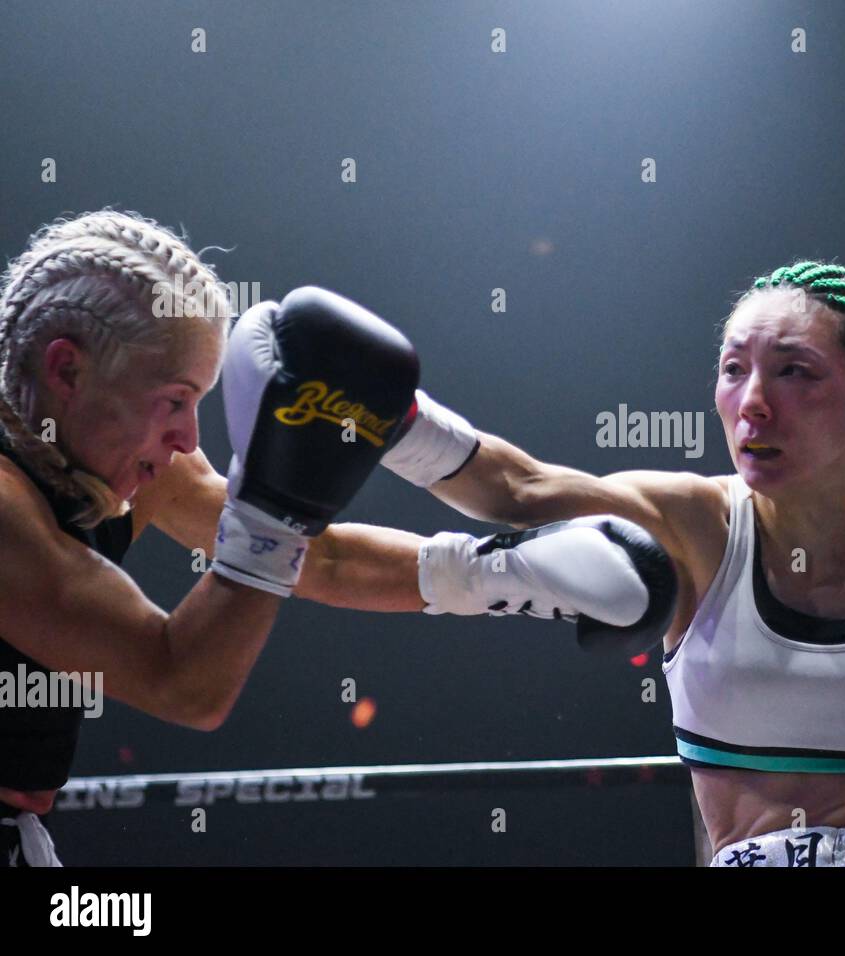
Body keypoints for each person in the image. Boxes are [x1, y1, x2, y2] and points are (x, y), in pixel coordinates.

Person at [0, 210, 674, 866]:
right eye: (175, 399)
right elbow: (181, 681)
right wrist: (273, 508)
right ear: (67, 370)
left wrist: (497, 574)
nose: (189, 439)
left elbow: (317, 557)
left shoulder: (133, 462)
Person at [377, 259, 845, 866]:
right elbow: (519, 490)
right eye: (733, 369)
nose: (753, 403)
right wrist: (387, 415)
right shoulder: (696, 523)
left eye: (794, 372)